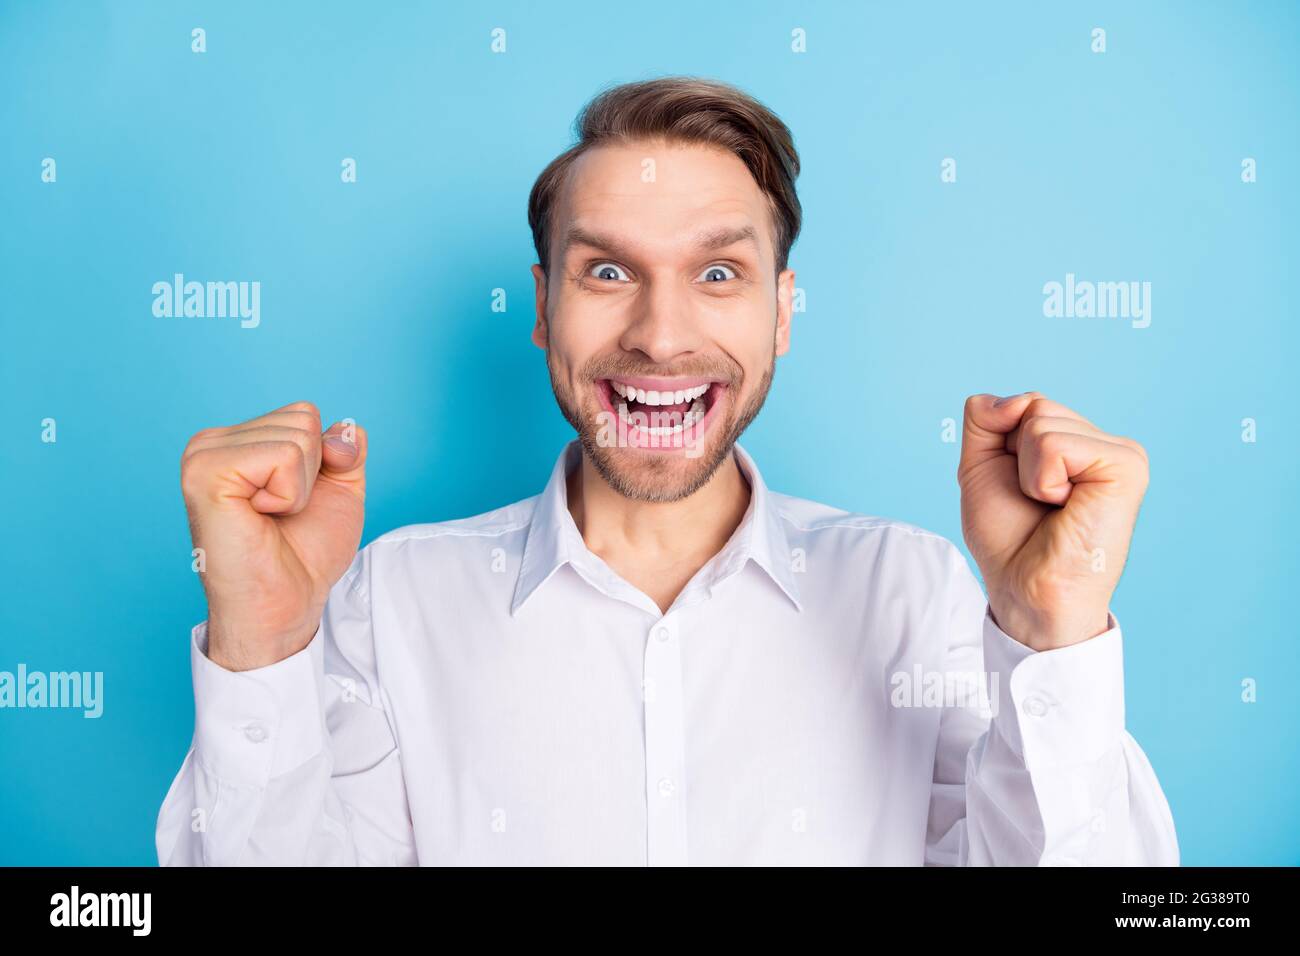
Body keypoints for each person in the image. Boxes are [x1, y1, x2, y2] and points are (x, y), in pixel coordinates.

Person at [156, 76, 1178, 866]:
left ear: (780, 314)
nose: (658, 333)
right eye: (606, 271)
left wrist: (1054, 629)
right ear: (544, 306)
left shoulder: (910, 591)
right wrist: (263, 643)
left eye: (718, 273)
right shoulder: (395, 598)